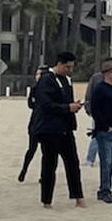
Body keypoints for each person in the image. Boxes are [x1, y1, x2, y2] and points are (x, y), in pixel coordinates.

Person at [32, 52, 86, 209]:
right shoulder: (46, 80)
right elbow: (46, 104)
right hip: (49, 129)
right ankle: (46, 201)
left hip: (66, 128)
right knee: (50, 165)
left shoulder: (67, 80)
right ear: (60, 64)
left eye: (72, 67)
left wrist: (73, 106)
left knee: (73, 164)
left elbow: (65, 101)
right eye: (68, 67)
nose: (70, 70)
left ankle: (78, 197)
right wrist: (67, 107)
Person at [88, 59, 112, 205]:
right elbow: (96, 110)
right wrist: (105, 127)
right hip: (106, 132)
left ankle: (106, 189)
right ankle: (104, 190)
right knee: (106, 162)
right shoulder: (100, 89)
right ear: (107, 74)